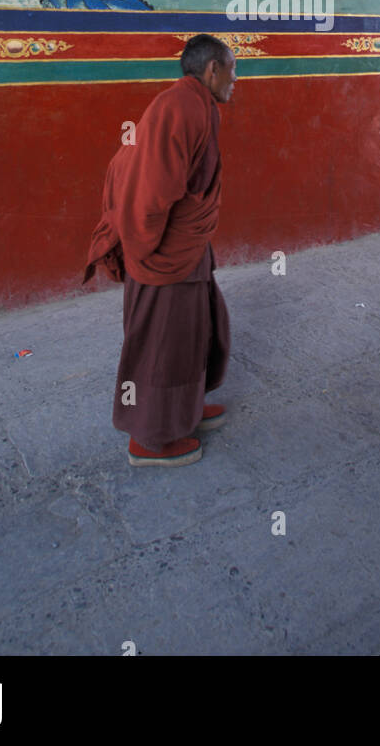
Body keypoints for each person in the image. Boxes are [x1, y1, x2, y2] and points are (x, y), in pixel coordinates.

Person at [83, 33, 236, 467]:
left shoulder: (196, 105)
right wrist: (145, 253)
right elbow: (147, 189)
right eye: (233, 70)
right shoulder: (179, 108)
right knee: (162, 345)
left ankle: (183, 411)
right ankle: (149, 439)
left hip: (186, 248)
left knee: (198, 332)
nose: (235, 80)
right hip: (164, 255)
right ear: (212, 70)